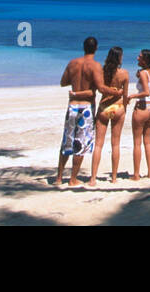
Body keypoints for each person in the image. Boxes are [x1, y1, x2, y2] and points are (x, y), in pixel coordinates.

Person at [55, 37, 105, 188]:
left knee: (67, 142)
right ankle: (72, 179)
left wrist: (76, 86)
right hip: (86, 108)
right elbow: (99, 88)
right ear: (96, 48)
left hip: (72, 106)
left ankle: (58, 178)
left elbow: (63, 82)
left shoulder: (72, 63)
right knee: (80, 143)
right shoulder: (96, 66)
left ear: (83, 47)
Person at [88, 46, 130, 185]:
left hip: (105, 107)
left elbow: (100, 90)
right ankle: (113, 178)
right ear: (119, 58)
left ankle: (93, 178)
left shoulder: (102, 72)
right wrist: (124, 109)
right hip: (117, 107)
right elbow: (125, 96)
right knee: (115, 144)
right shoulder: (124, 73)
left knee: (98, 145)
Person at [125, 49, 150, 180]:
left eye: (140, 57)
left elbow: (146, 92)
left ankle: (136, 174)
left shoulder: (144, 73)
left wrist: (132, 96)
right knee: (147, 141)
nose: (137, 58)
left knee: (137, 143)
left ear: (144, 59)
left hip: (142, 107)